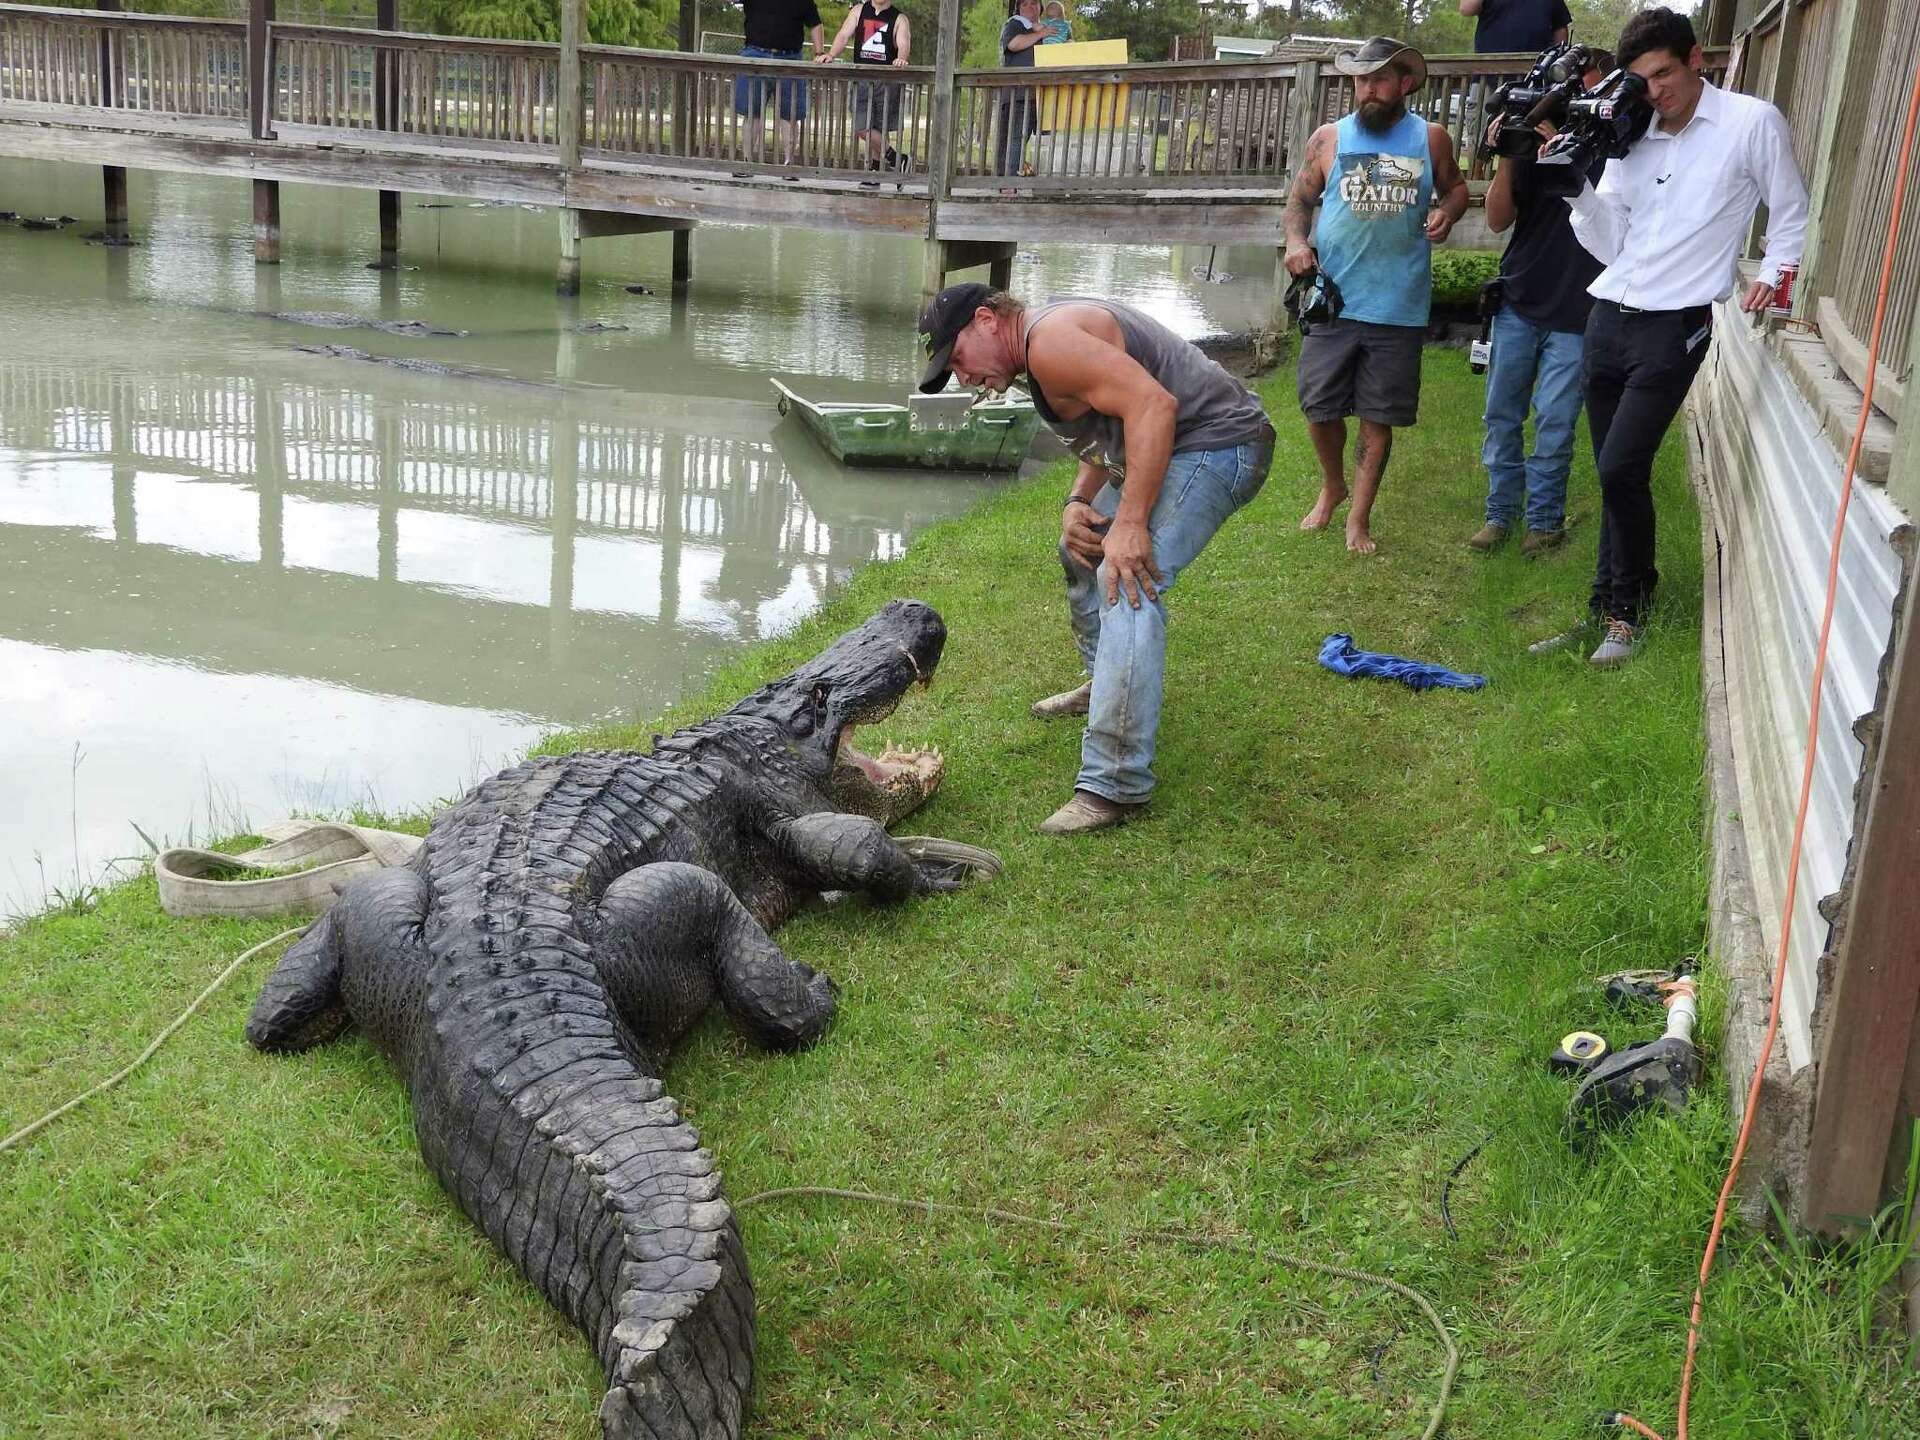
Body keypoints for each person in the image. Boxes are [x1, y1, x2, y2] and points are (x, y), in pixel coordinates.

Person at [915, 283, 1275, 834]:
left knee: (1123, 574)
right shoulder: (1038, 348)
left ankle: (1115, 783)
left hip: (1221, 444)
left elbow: (1153, 406)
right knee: (1081, 547)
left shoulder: (1049, 343)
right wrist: (1077, 501)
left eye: (957, 359)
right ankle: (1105, 682)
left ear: (986, 320)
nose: (961, 377)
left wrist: (1130, 524)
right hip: (1180, 443)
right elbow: (1113, 424)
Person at [1533, 7, 1807, 666]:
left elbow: (1791, 210)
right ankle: (1605, 604)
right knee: (1611, 471)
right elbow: (1612, 244)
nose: (1655, 91)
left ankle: (1627, 613)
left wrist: (1776, 273)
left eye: (1664, 74)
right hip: (1608, 318)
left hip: (1675, 325)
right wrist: (1576, 192)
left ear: (1695, 60)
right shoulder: (1631, 135)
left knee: (1621, 467)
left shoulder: (1750, 123)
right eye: (1642, 80)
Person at [1283, 36, 1469, 554]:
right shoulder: (1328, 138)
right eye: (1361, 79)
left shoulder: (1431, 138)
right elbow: (1298, 202)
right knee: (1319, 409)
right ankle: (1332, 486)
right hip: (1333, 299)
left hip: (1398, 305)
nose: (1367, 88)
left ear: (1404, 83)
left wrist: (1447, 212)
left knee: (1378, 416)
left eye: (1379, 79)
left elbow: (1457, 189)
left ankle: (1358, 520)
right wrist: (1296, 242)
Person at [1466, 46, 1612, 557]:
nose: (1576, 98)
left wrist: (1565, 154)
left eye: (1587, 87)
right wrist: (1510, 153)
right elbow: (1497, 220)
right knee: (1501, 415)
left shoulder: (1614, 151)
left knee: (1554, 420)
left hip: (1578, 309)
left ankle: (1544, 522)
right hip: (1519, 298)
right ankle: (1499, 514)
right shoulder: (1532, 138)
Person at [819, 0, 911, 186]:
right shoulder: (859, 10)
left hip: (886, 81)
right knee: (862, 127)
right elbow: (844, 34)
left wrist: (901, 59)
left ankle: (874, 173)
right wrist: (831, 54)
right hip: (861, 78)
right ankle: (897, 158)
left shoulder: (899, 18)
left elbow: (904, 43)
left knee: (879, 128)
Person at [735, 0, 826, 171]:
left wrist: (819, 52)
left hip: (790, 58)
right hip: (755, 55)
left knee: (790, 115)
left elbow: (815, 24)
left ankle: (789, 165)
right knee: (752, 113)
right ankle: (746, 163)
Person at [997, 0, 1044, 179]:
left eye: (1034, 3)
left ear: (1040, 7)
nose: (1030, 7)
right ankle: (1008, 183)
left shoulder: (1045, 28)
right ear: (1018, 9)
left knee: (1031, 138)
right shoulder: (1014, 24)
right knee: (1014, 138)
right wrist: (1041, 33)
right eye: (1025, 4)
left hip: (1040, 94)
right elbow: (1014, 44)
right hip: (1017, 93)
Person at [1458, 0, 1570, 54]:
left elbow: (1560, 26)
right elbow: (1466, 9)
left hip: (1536, 72)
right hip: (1490, 71)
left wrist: (1557, 57)